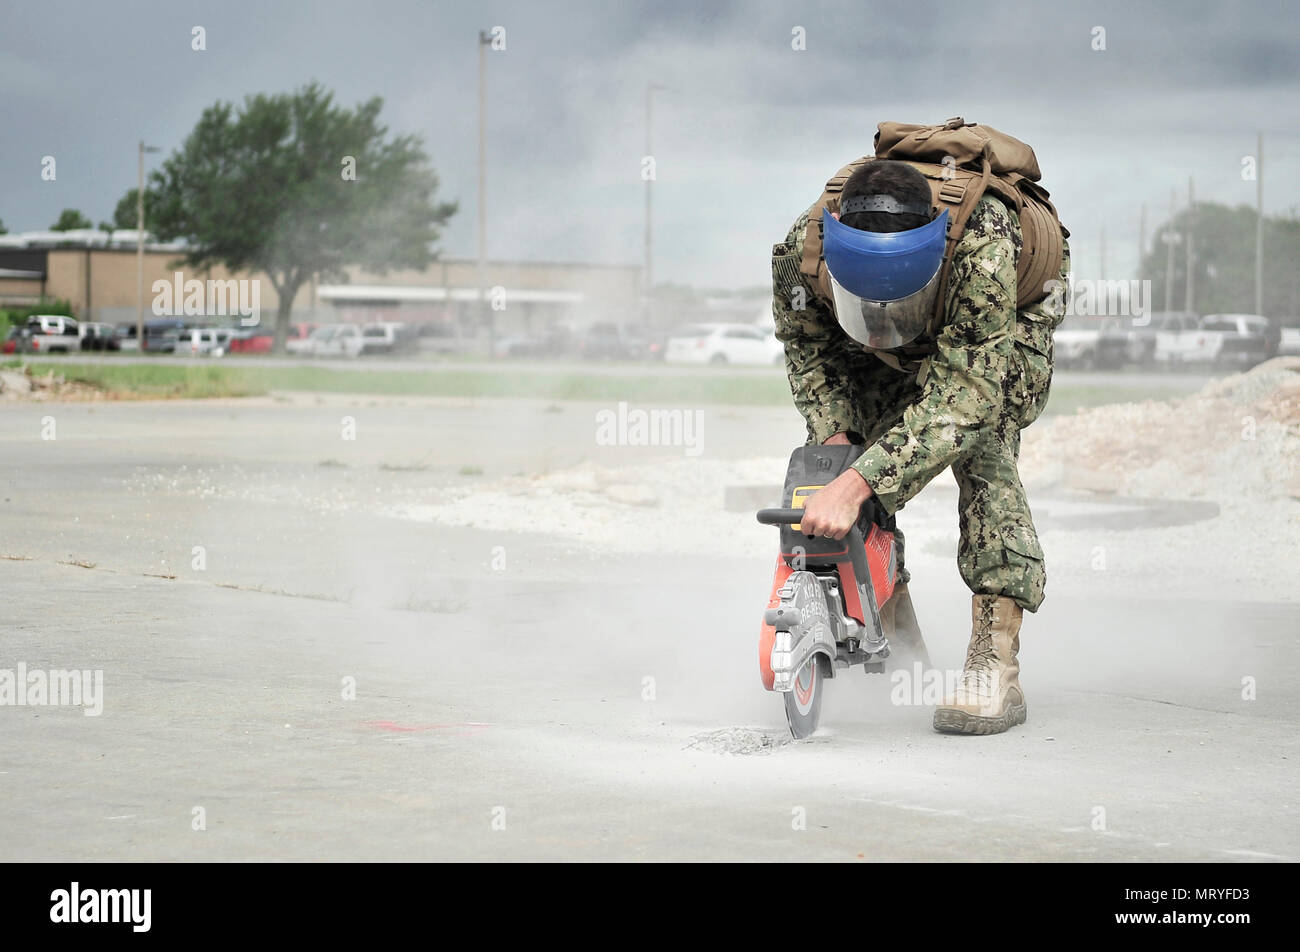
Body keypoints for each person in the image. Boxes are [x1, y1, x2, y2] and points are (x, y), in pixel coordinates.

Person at [771, 158, 1070, 734]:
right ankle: (895, 649)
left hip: (999, 327)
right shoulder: (801, 252)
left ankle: (995, 662)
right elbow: (806, 348)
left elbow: (965, 398)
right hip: (876, 336)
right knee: (836, 463)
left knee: (983, 445)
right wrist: (839, 443)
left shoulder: (984, 250)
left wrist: (859, 483)